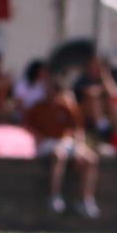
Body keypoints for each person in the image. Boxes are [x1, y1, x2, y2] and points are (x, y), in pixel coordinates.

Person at [24, 82, 96, 216]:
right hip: (46, 143)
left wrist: (79, 146)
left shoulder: (68, 107)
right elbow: (28, 126)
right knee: (59, 155)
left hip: (65, 142)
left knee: (91, 158)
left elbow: (78, 129)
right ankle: (54, 196)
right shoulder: (38, 107)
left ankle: (86, 200)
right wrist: (38, 139)